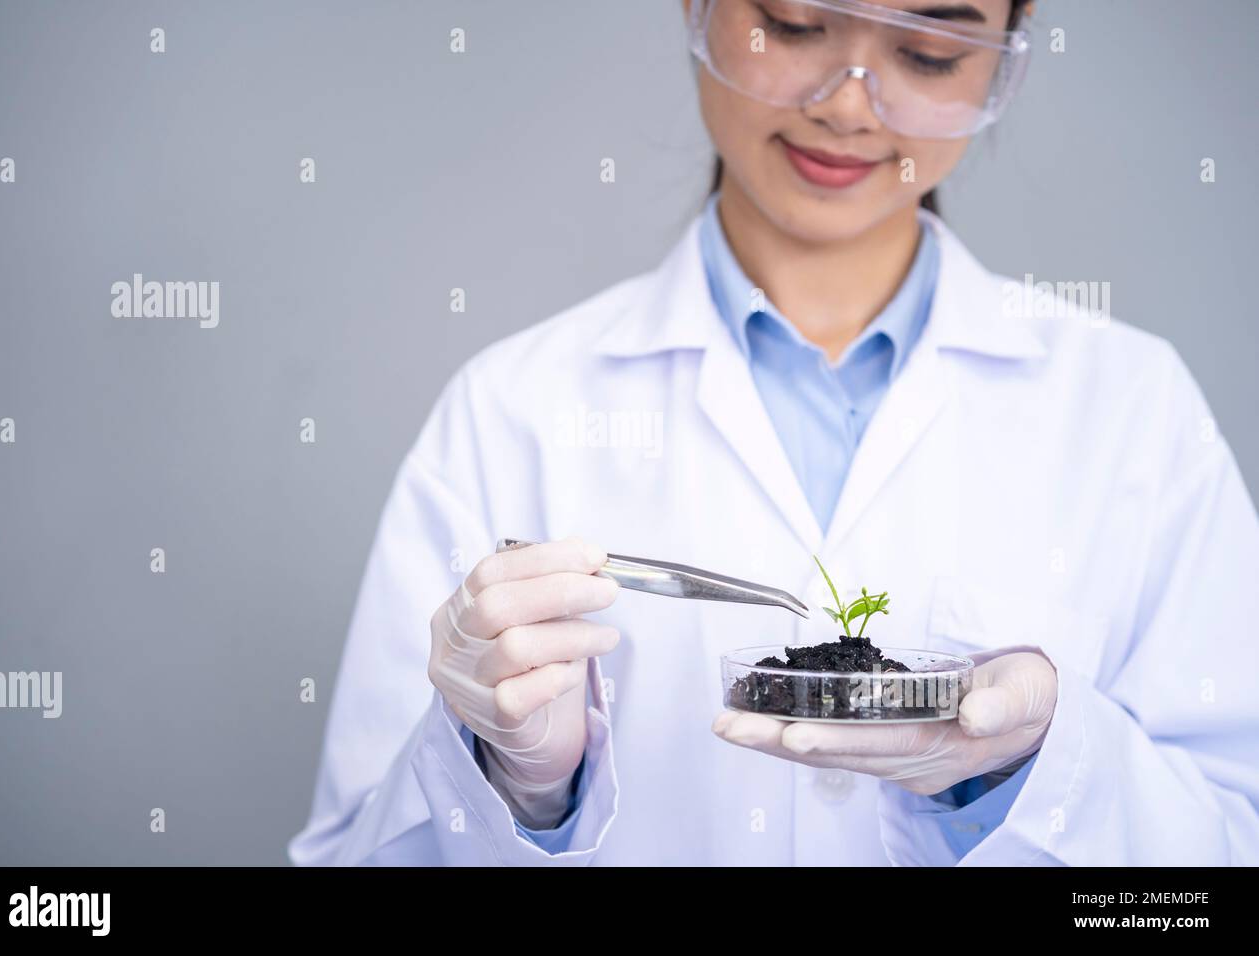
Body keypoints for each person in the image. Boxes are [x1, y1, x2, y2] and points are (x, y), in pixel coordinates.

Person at [289, 0, 1259, 865]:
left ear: (1004, 55)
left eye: (927, 50)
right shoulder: (511, 411)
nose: (848, 102)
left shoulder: (1132, 409)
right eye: (794, 25)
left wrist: (1034, 766)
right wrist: (516, 784)